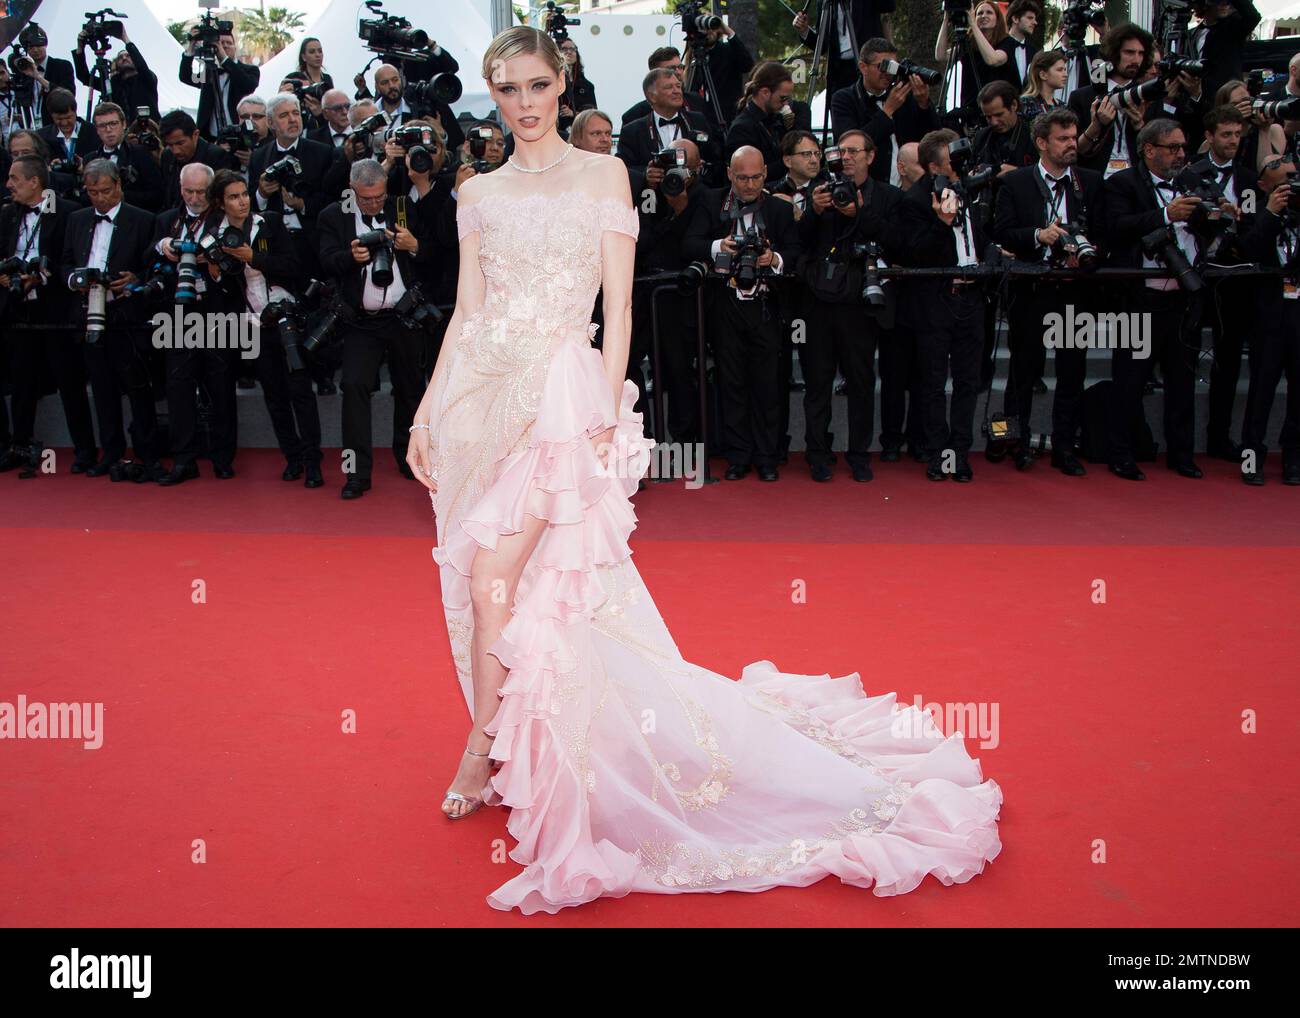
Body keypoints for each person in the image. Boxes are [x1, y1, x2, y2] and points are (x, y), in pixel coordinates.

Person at [406, 26, 1000, 914]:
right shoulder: (477, 191)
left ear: (563, 83)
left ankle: (480, 750)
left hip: (563, 403)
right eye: (506, 90)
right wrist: (426, 407)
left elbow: (617, 308)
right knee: (497, 586)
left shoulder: (603, 176)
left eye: (536, 85)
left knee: (496, 577)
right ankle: (512, 738)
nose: (523, 105)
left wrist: (604, 418)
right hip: (477, 404)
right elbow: (465, 311)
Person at [179, 25, 261, 142]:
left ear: (235, 47)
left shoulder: (249, 70)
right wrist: (191, 46)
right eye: (221, 43)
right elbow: (185, 76)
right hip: (210, 138)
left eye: (229, 43)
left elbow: (248, 85)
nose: (225, 46)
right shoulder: (208, 71)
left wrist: (224, 59)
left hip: (239, 136)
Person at [74, 23, 160, 123]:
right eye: (120, 57)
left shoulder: (147, 78)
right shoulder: (113, 84)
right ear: (116, 64)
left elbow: (142, 66)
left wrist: (125, 39)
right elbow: (84, 77)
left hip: (149, 129)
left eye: (128, 56)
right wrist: (80, 47)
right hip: (124, 134)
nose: (124, 58)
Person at [1019, 49, 1069, 122]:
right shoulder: (1026, 103)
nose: (1065, 75)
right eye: (1059, 70)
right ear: (1043, 75)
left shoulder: (1063, 106)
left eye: (1065, 70)